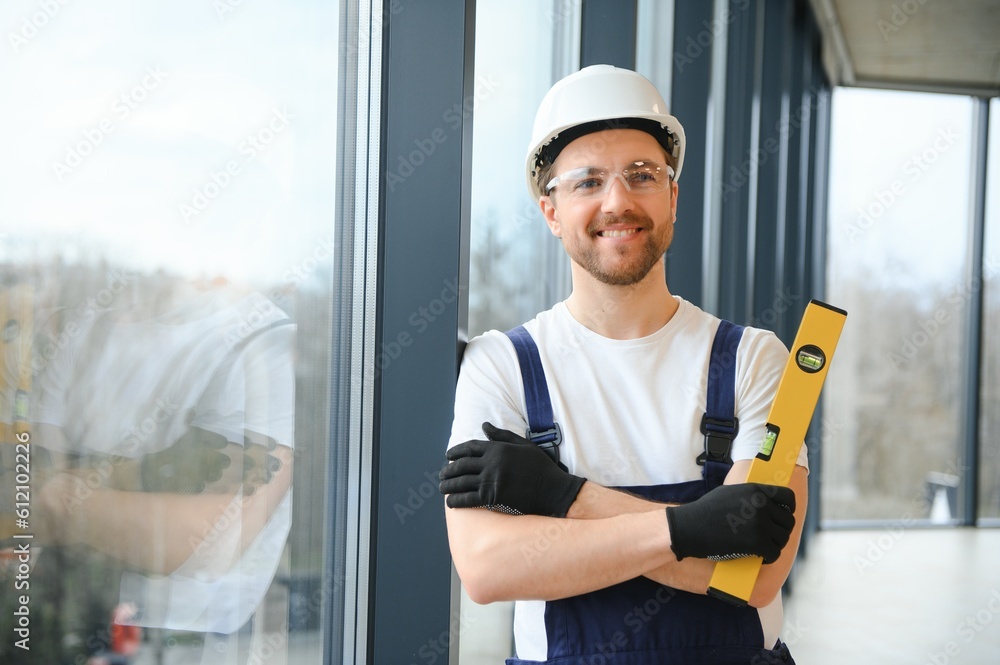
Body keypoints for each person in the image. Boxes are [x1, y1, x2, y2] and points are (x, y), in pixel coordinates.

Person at [439, 65, 807, 664]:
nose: (618, 201)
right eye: (587, 182)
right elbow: (486, 569)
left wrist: (562, 497)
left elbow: (755, 578)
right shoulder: (501, 365)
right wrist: (698, 530)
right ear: (550, 212)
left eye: (642, 176)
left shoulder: (754, 359)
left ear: (673, 197)